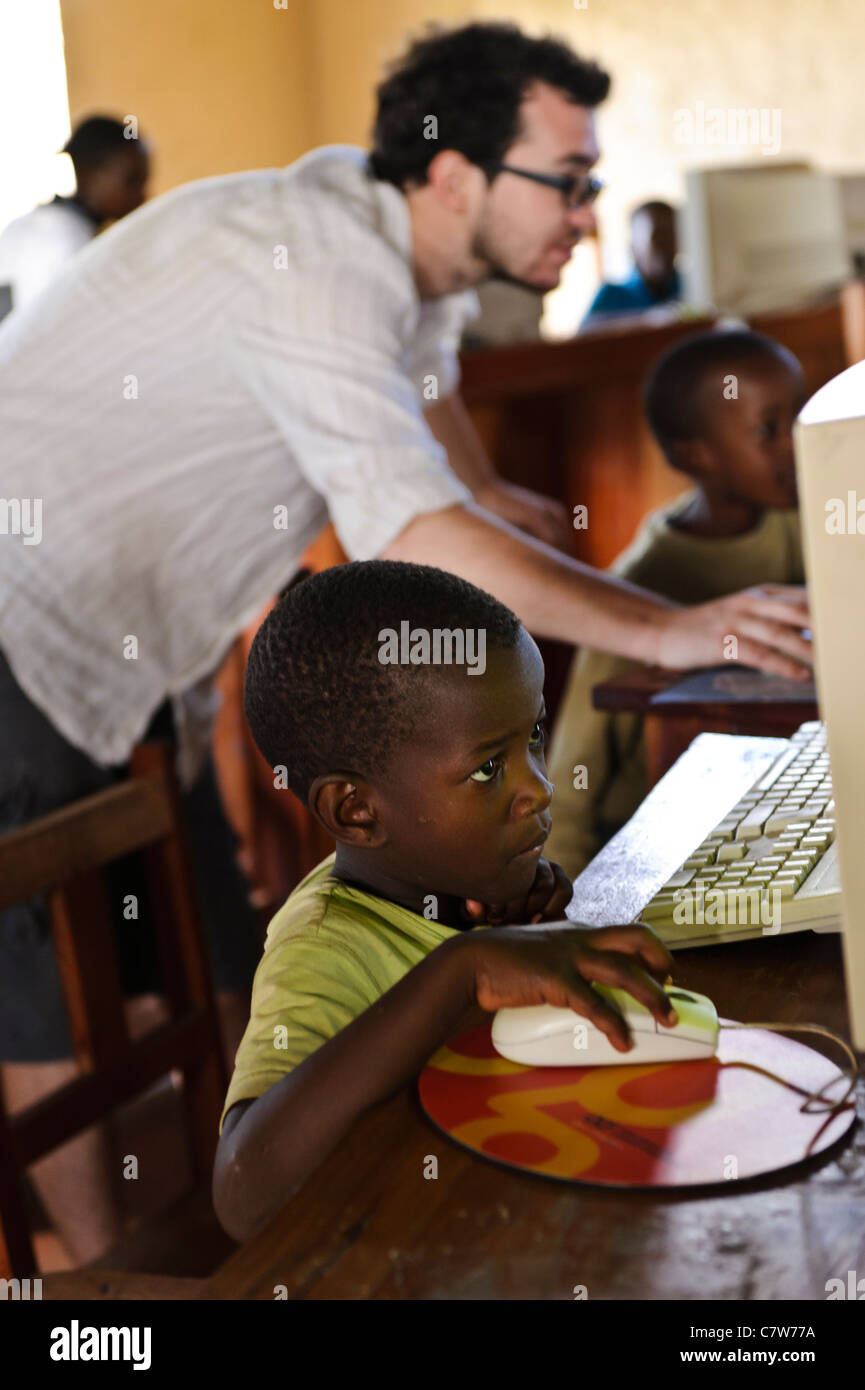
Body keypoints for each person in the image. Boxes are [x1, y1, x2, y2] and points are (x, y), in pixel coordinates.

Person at [0, 21, 809, 1262]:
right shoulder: (319, 260)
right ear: (452, 176)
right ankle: (109, 1285)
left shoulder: (408, 277)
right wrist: (680, 619)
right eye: (566, 181)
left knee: (204, 940)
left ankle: (245, 1207)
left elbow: (474, 504)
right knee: (45, 962)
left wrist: (601, 571)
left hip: (136, 650)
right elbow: (422, 527)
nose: (583, 216)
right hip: (24, 611)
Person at [212, 560, 680, 1241]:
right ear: (356, 811)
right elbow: (241, 1191)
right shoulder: (325, 944)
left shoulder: (457, 887)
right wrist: (465, 968)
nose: (539, 789)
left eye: (534, 740)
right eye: (488, 768)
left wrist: (519, 919)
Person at [545, 329, 807, 879]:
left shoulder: (796, 521)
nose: (796, 445)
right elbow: (575, 767)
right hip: (656, 842)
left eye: (801, 419)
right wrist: (560, 896)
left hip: (769, 808)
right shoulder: (639, 587)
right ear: (698, 455)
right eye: (769, 430)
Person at [0, 115, 150, 313]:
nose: (143, 195)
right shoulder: (64, 237)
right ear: (89, 173)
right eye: (132, 181)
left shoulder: (44, 225)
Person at [582, 199, 680, 325]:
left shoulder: (693, 285)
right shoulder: (612, 295)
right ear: (633, 246)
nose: (667, 246)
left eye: (673, 236)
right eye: (657, 236)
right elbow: (584, 335)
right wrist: (648, 320)